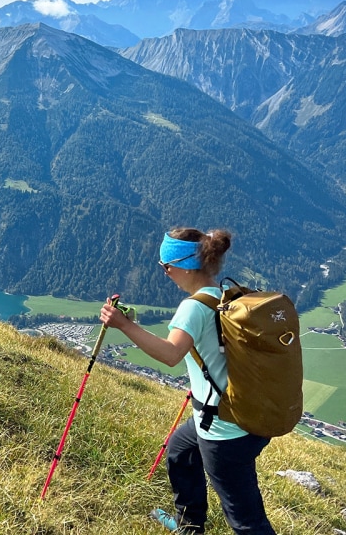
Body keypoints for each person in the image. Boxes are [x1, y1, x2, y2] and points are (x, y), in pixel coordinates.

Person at [99, 228, 275, 535]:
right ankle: (189, 527)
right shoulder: (228, 295)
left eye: (165, 267)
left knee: (246, 520)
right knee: (181, 450)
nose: (166, 274)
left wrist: (124, 325)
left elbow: (170, 354)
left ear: (182, 266)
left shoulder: (193, 308)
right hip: (241, 411)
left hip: (225, 429)